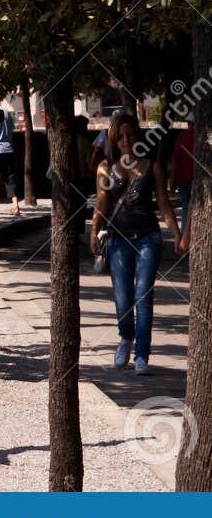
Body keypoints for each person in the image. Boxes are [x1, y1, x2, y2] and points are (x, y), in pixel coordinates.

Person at [91, 113, 186, 375]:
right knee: (123, 299)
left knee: (143, 296)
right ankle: (126, 337)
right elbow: (102, 202)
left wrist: (177, 235)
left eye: (130, 134)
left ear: (138, 135)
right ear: (113, 138)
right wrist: (94, 231)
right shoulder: (105, 167)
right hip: (118, 240)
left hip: (148, 239)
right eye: (120, 136)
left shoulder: (151, 166)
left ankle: (142, 355)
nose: (125, 140)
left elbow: (164, 205)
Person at [0, 105, 21, 215]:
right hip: (8, 148)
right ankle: (15, 204)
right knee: (9, 176)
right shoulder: (6, 112)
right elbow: (11, 128)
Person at [172, 123, 195, 236]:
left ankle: (185, 237)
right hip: (196, 179)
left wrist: (172, 182)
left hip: (184, 178)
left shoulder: (182, 136)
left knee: (186, 207)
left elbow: (175, 160)